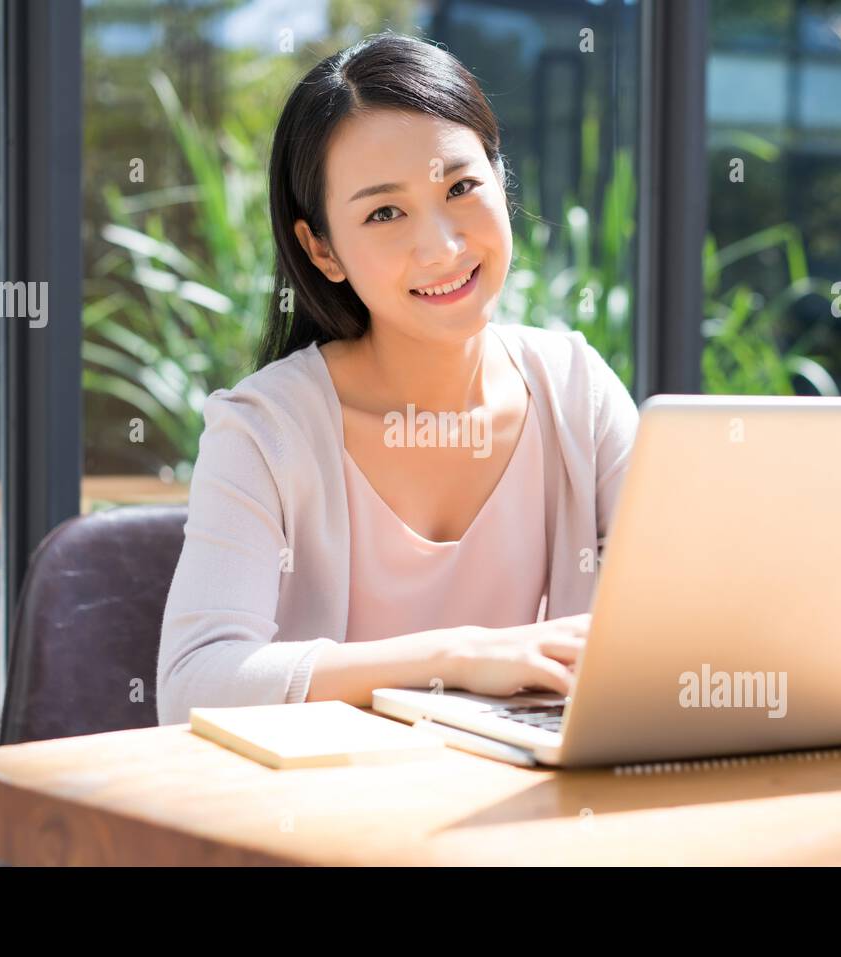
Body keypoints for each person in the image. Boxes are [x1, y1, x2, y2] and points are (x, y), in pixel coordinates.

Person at [156, 32, 638, 724]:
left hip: (519, 809)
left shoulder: (577, 392)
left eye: (461, 187)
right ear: (321, 249)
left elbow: (674, 619)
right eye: (385, 212)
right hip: (317, 817)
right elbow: (192, 684)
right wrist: (458, 657)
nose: (441, 247)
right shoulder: (265, 429)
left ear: (501, 182)